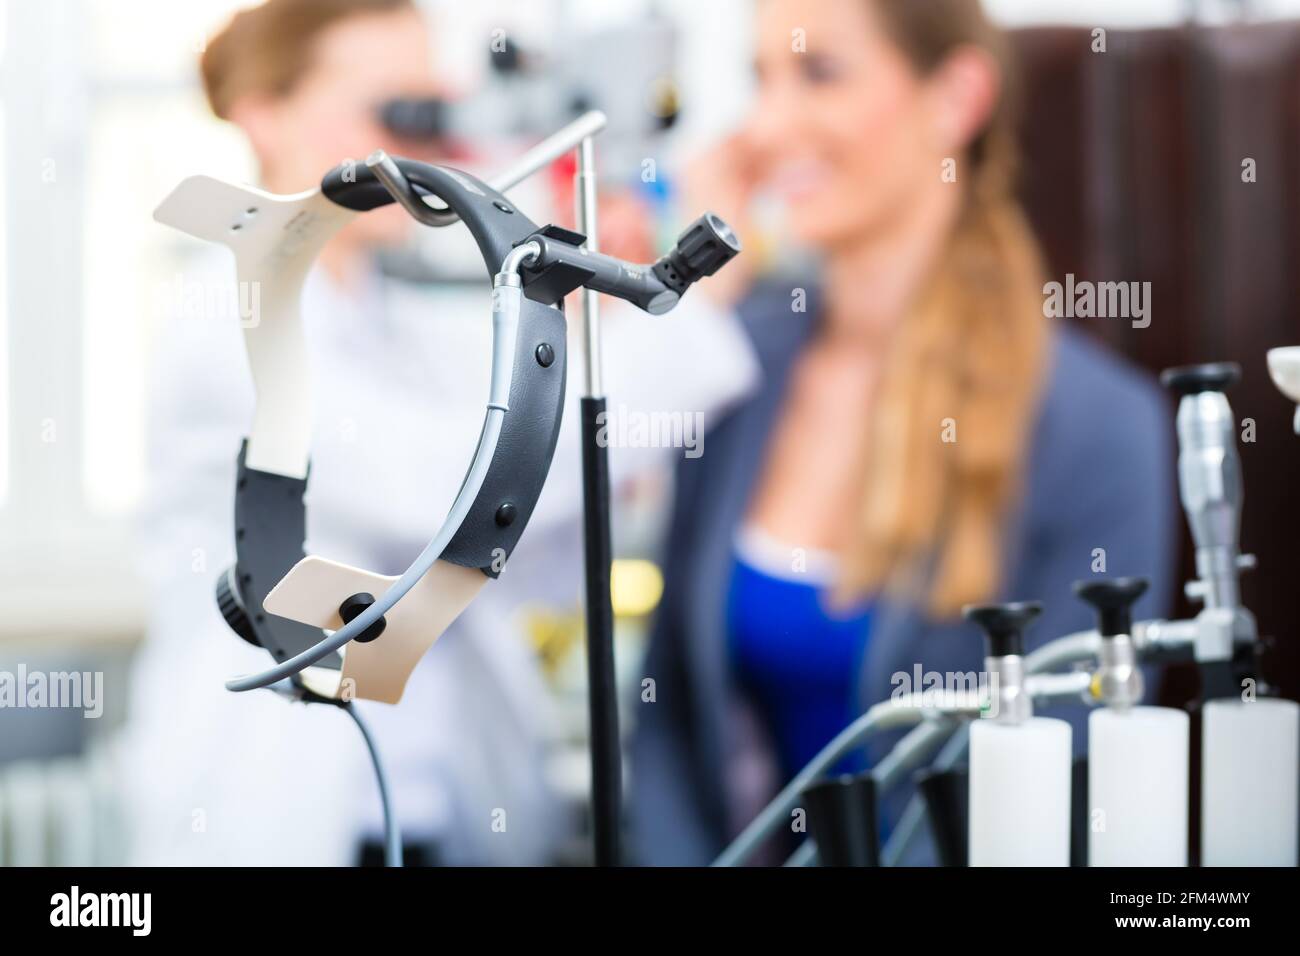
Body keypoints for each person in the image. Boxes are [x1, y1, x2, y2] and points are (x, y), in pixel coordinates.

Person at [125, 0, 758, 865]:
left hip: (444, 818)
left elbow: (524, 540)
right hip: (274, 813)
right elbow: (441, 495)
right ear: (263, 115)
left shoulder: (398, 318)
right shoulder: (221, 320)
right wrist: (702, 315)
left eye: (435, 113)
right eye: (396, 110)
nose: (424, 151)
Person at [630, 0, 1178, 866]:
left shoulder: (1101, 426)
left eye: (821, 74)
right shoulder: (734, 366)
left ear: (955, 98)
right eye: (758, 78)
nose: (767, 128)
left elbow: (1070, 781)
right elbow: (661, 727)